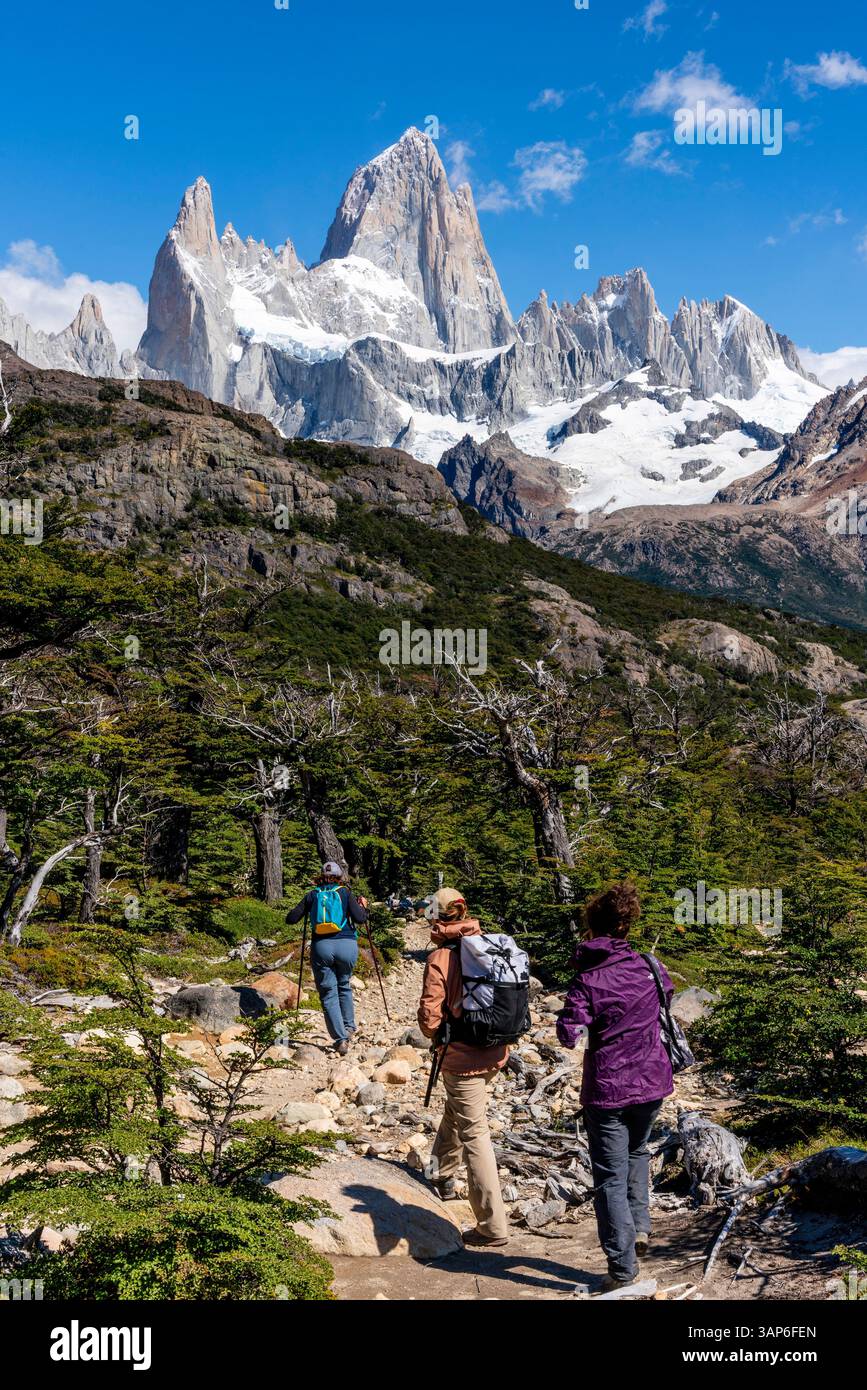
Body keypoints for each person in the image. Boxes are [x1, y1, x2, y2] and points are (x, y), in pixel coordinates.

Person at [556, 882, 674, 1292]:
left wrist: (584, 1022)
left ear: (592, 929)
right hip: (652, 1078)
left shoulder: (588, 979)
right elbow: (667, 999)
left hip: (608, 1087)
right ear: (626, 926)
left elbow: (569, 1034)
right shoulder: (650, 964)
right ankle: (640, 1227)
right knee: (638, 1151)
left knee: (609, 1175)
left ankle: (623, 1269)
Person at [417, 887, 511, 1248]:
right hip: (495, 1051)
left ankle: (492, 1225)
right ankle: (440, 1173)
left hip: (461, 1057)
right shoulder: (490, 944)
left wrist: (433, 1032)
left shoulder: (441, 956)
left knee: (476, 1133)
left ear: (436, 917)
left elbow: (429, 1016)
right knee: (457, 1110)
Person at [286, 862, 368, 1056]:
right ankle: (349, 1027)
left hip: (322, 947)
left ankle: (341, 1039)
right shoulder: (345, 892)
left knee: (328, 992)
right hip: (347, 945)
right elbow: (360, 918)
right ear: (340, 877)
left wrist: (304, 909)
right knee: (344, 985)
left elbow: (290, 919)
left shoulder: (313, 895)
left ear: (321, 876)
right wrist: (364, 907)